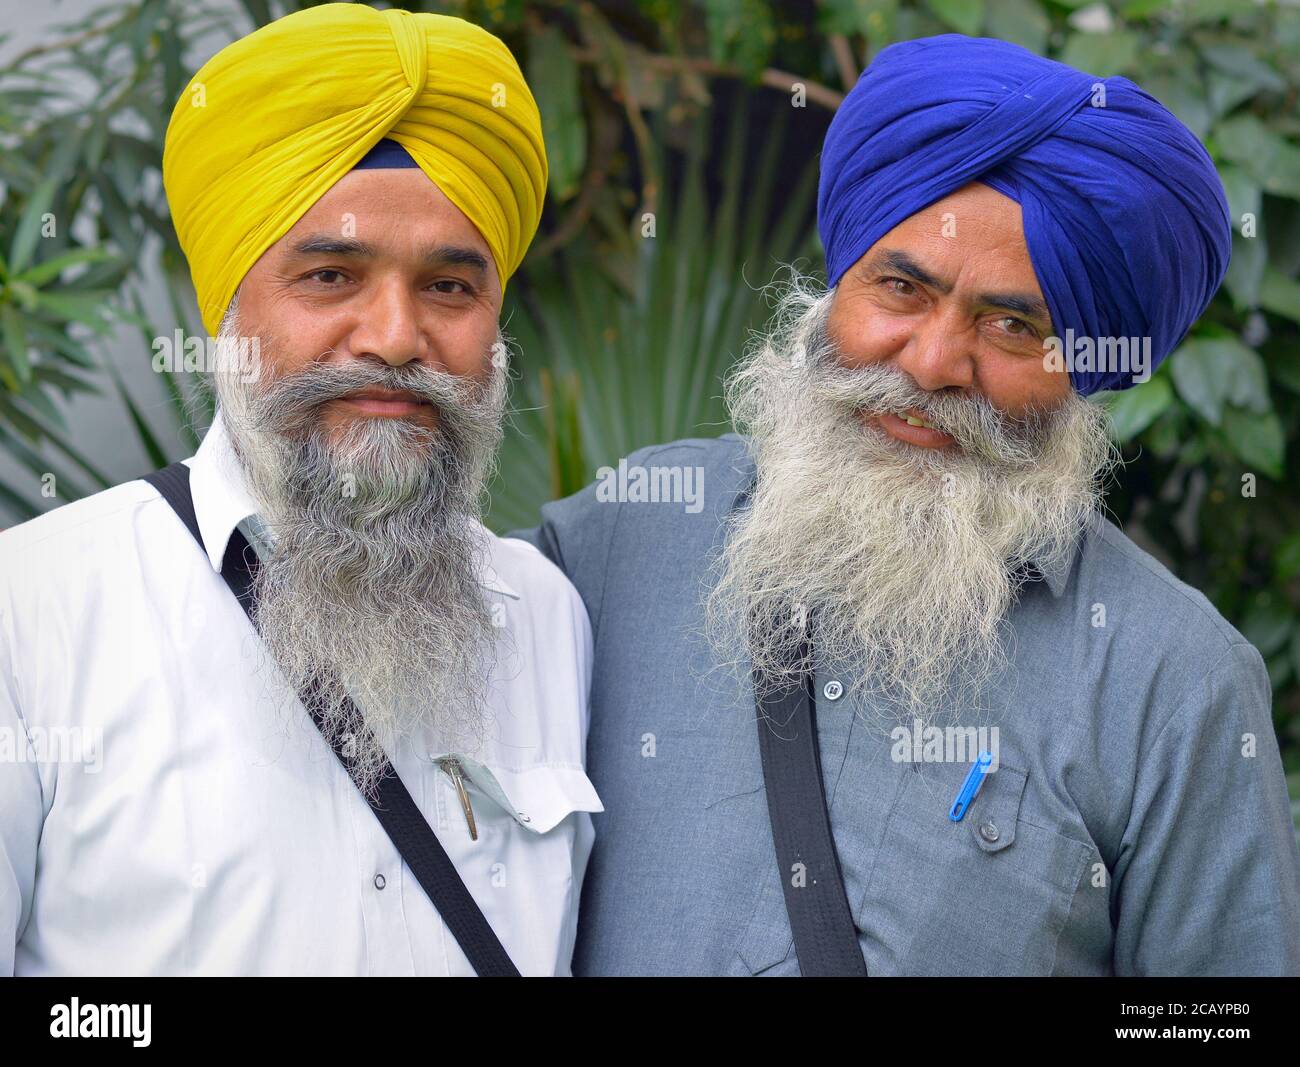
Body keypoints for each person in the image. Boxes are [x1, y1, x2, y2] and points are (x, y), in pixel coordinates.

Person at [515, 35, 1300, 976]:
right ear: (837, 282)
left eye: (1014, 325)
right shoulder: (620, 540)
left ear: (1084, 366)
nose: (931, 364)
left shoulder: (1175, 682)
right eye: (901, 288)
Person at [0, 3, 600, 976]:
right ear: (229, 309)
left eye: (450, 287)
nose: (396, 336)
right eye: (330, 274)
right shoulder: (32, 610)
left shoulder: (545, 617)